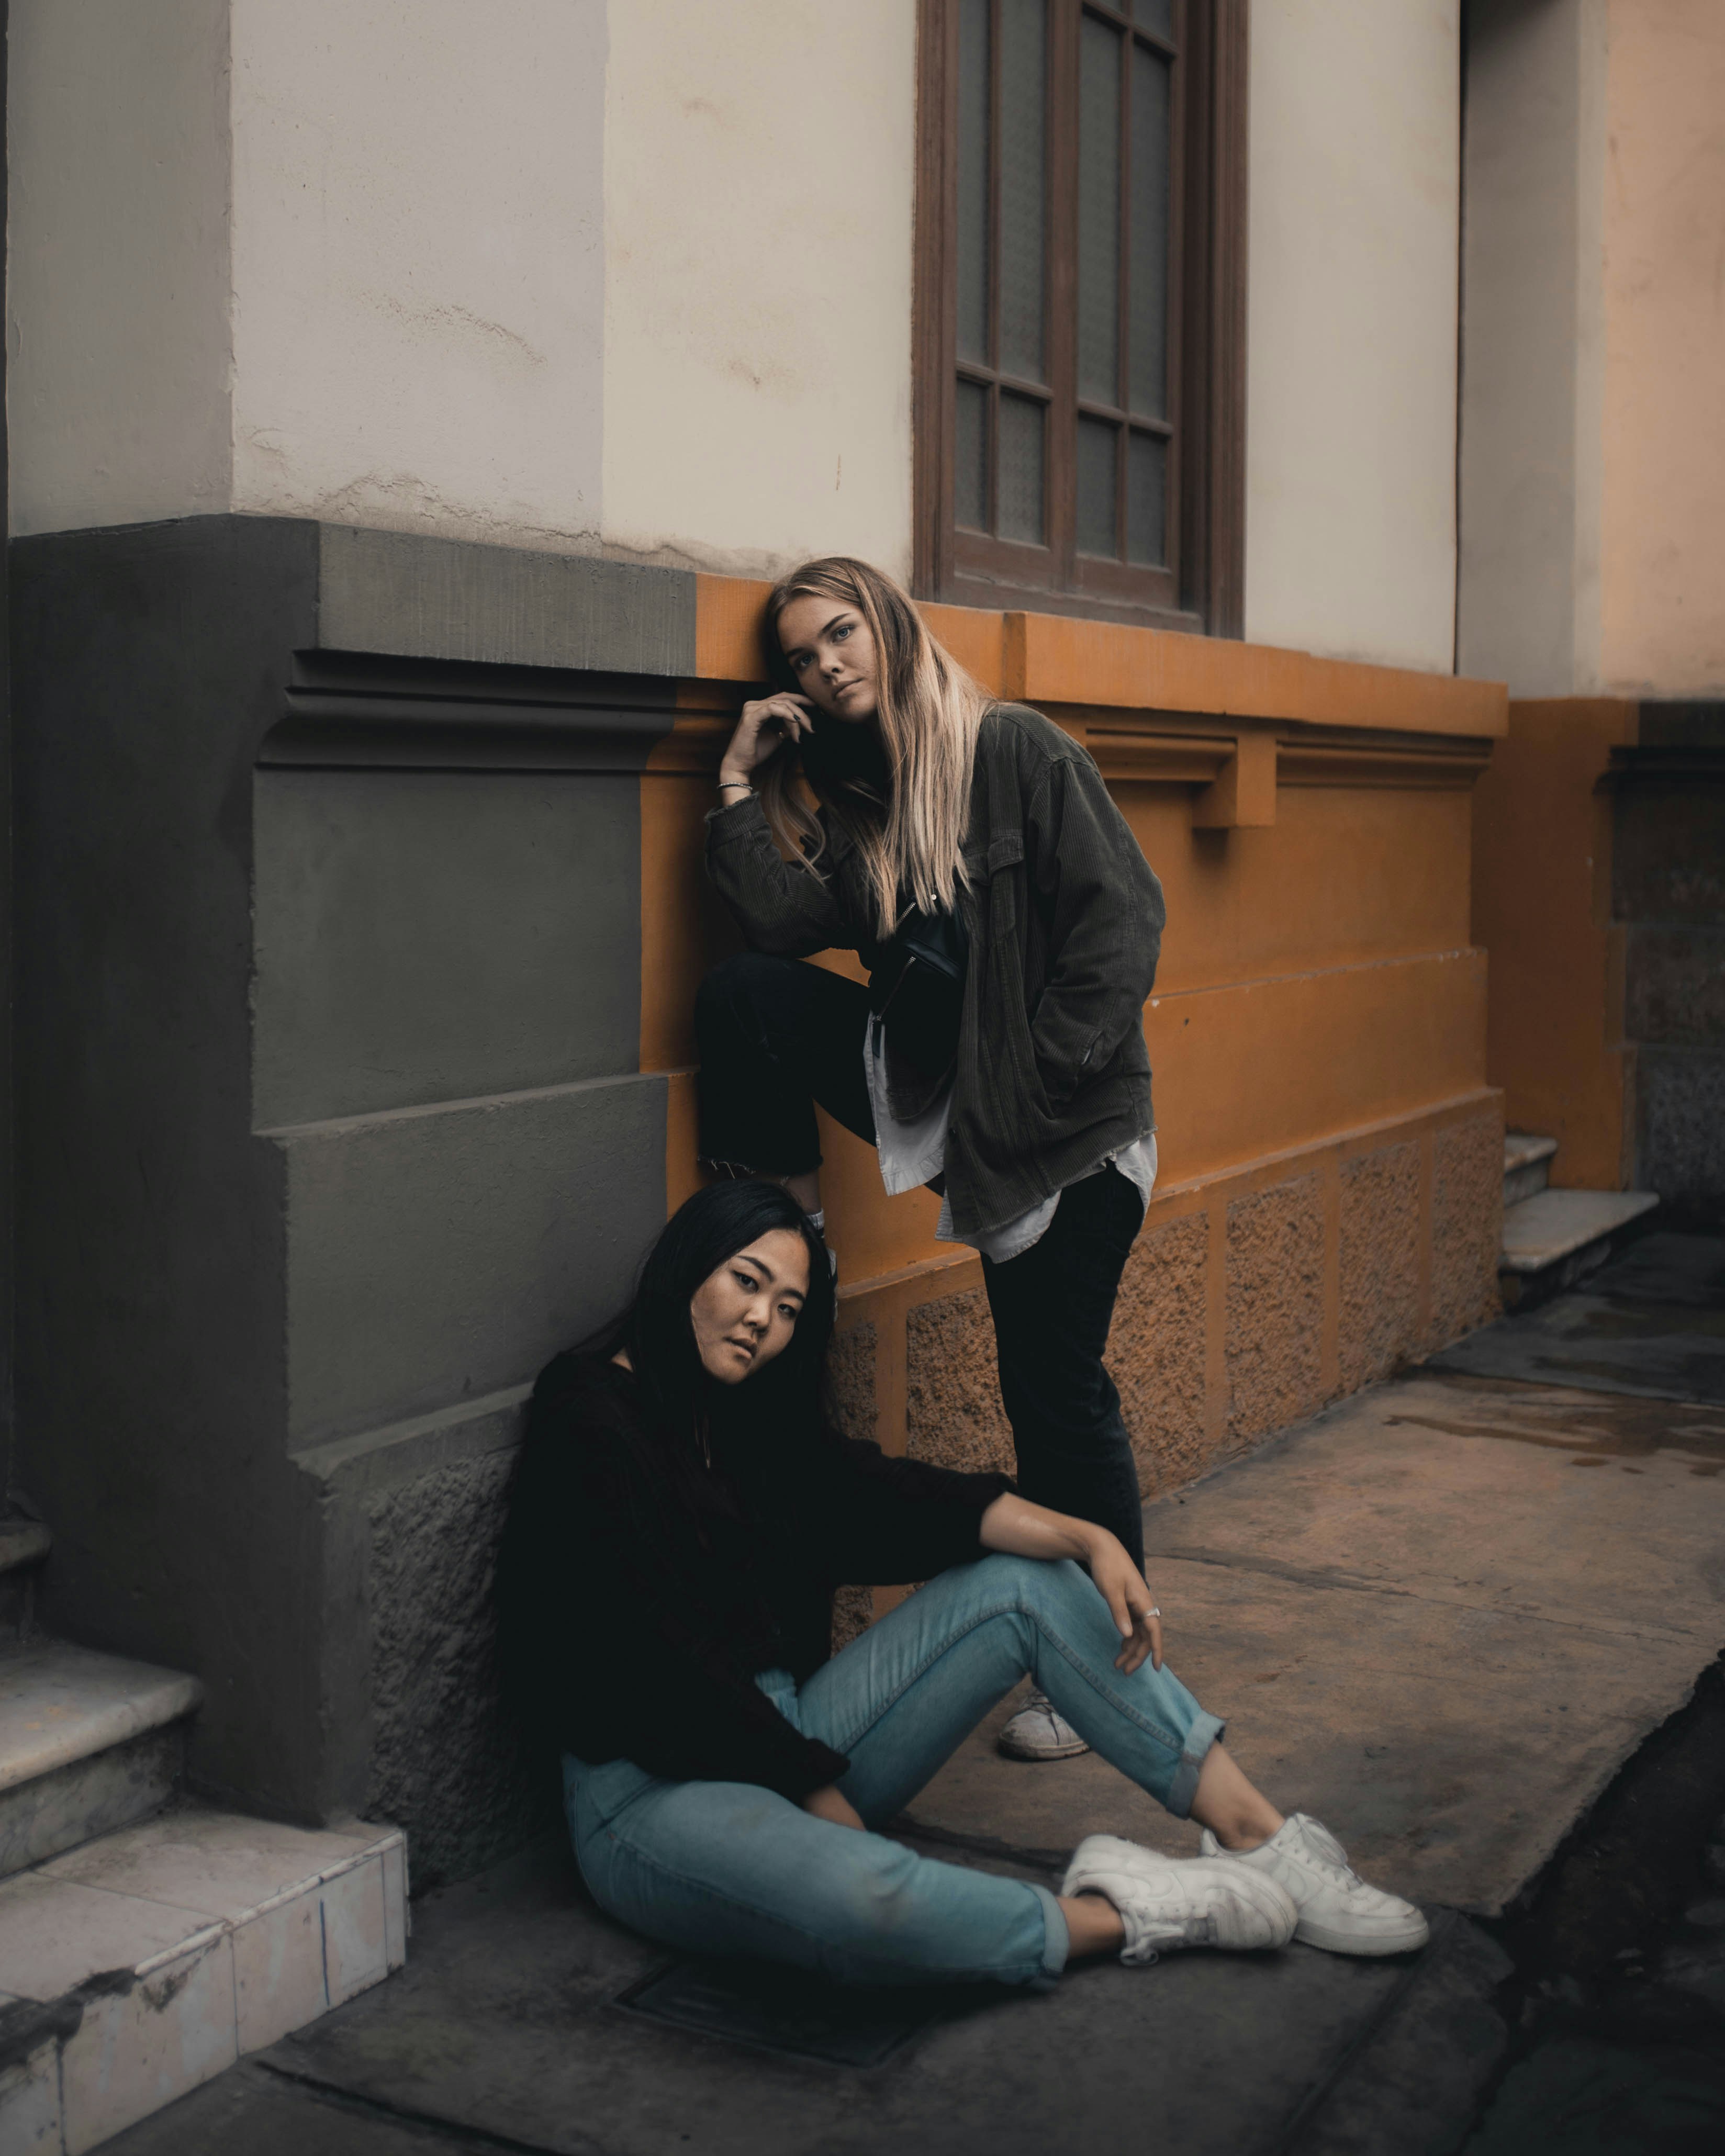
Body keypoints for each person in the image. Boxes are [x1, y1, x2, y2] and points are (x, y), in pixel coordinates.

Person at [495, 1181, 1428, 1991]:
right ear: (688, 1265)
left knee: (1028, 1579)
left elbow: (891, 1497)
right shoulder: (588, 1418)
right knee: (866, 1898)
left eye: (786, 1308)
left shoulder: (742, 1415)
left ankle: (1259, 1835)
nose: (762, 1323)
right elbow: (654, 1663)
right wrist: (822, 1801)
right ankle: (1131, 1910)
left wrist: (1087, 1534)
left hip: (789, 1733)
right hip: (655, 1789)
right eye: (747, 1283)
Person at [696, 555, 1163, 1761]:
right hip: (961, 1119)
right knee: (749, 996)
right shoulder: (864, 806)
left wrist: (1036, 1081)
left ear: (891, 630)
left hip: (1070, 1140)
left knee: (1055, 1396)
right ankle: (793, 1242)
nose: (825, 663)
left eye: (841, 634)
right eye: (800, 655)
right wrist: (741, 779)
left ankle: (1113, 1676)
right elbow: (784, 928)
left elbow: (1124, 922)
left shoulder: (1012, 750)